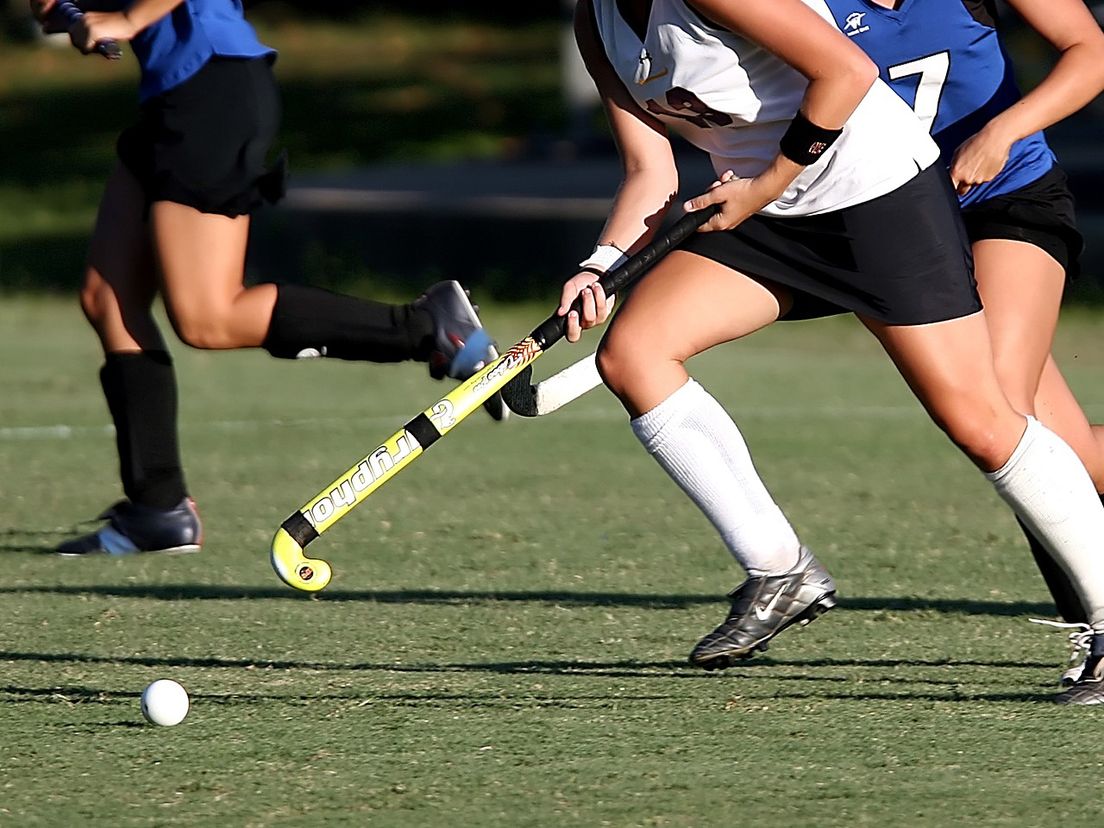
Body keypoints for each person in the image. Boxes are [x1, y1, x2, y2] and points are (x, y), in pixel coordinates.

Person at [563, 0, 1104, 704]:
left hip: (873, 195)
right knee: (633, 353)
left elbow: (846, 72)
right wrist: (602, 263)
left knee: (983, 418)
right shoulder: (595, 19)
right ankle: (779, 569)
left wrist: (763, 185)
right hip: (776, 211)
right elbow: (650, 171)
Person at [30, 0, 506, 557]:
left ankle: (428, 328)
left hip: (209, 88)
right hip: (171, 95)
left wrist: (128, 21)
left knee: (209, 317)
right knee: (108, 297)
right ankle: (156, 510)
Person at [819, 0, 1104, 680]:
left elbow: (1090, 50)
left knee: (1000, 407)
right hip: (897, 227)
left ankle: (1095, 624)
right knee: (1070, 454)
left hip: (1009, 198)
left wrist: (1004, 130)